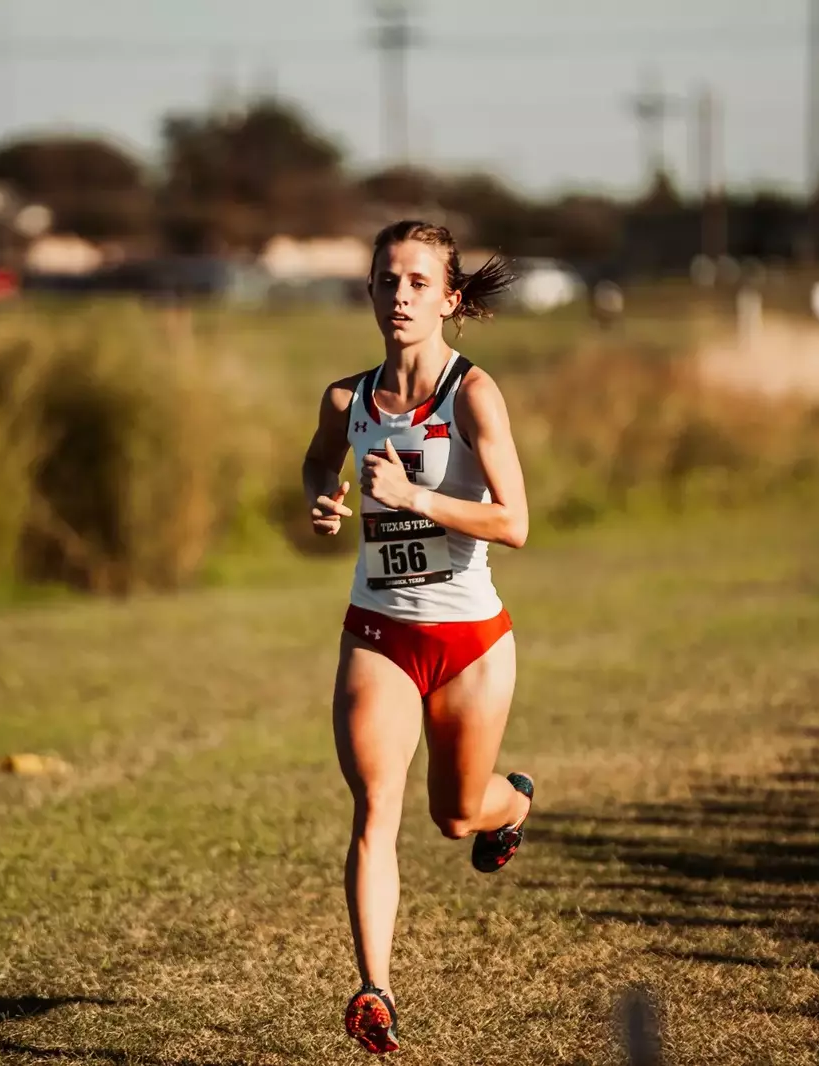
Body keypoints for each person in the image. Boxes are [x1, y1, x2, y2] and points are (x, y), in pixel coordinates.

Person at [300, 220, 534, 1055]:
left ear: (450, 298)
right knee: (376, 806)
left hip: (469, 640)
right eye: (386, 280)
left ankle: (514, 805)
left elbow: (514, 522)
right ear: (368, 290)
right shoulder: (346, 399)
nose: (399, 296)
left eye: (417, 283)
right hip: (379, 631)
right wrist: (324, 498)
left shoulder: (474, 395)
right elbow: (317, 461)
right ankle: (375, 991)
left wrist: (416, 498)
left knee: (456, 814)